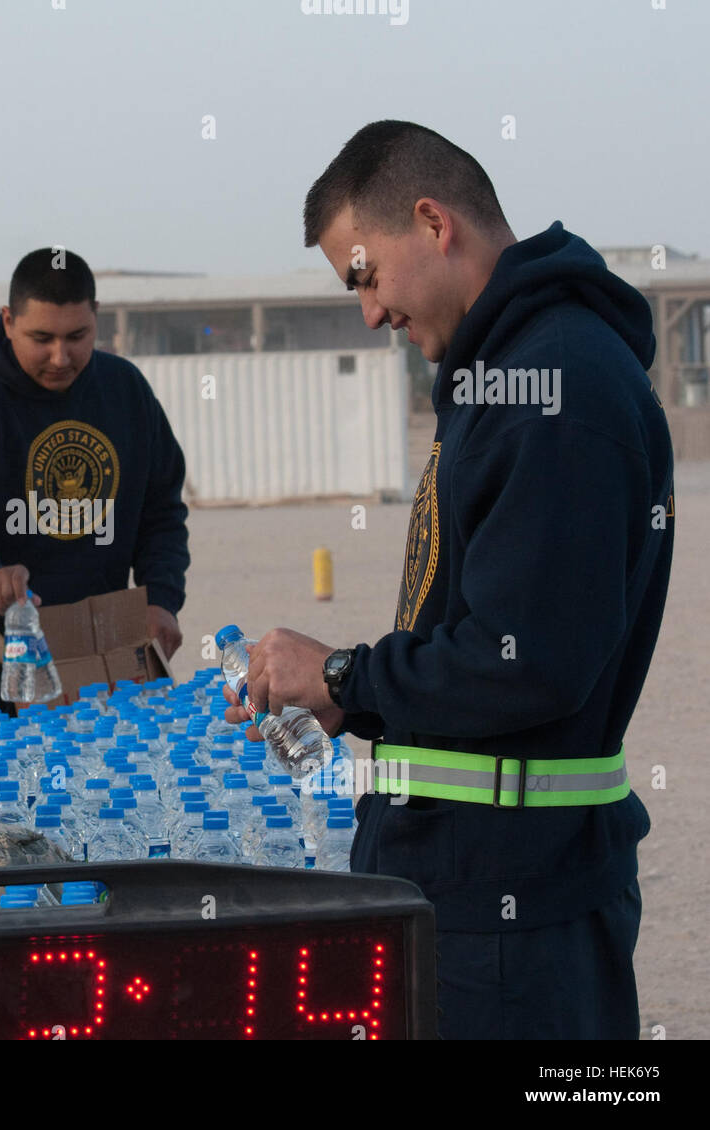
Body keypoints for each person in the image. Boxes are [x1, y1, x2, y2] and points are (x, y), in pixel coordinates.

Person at [227, 120, 671, 1040]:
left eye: (364, 275)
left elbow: (531, 661)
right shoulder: (505, 372)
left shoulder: (555, 384)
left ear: (433, 223)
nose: (369, 313)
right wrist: (362, 704)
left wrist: (349, 674)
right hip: (480, 883)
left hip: (515, 909)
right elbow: (489, 627)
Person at [0, 248, 189, 723]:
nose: (60, 356)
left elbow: (162, 512)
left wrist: (162, 598)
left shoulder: (126, 392)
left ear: (96, 317)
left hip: (102, 659)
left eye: (77, 336)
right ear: (8, 321)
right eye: (41, 338)